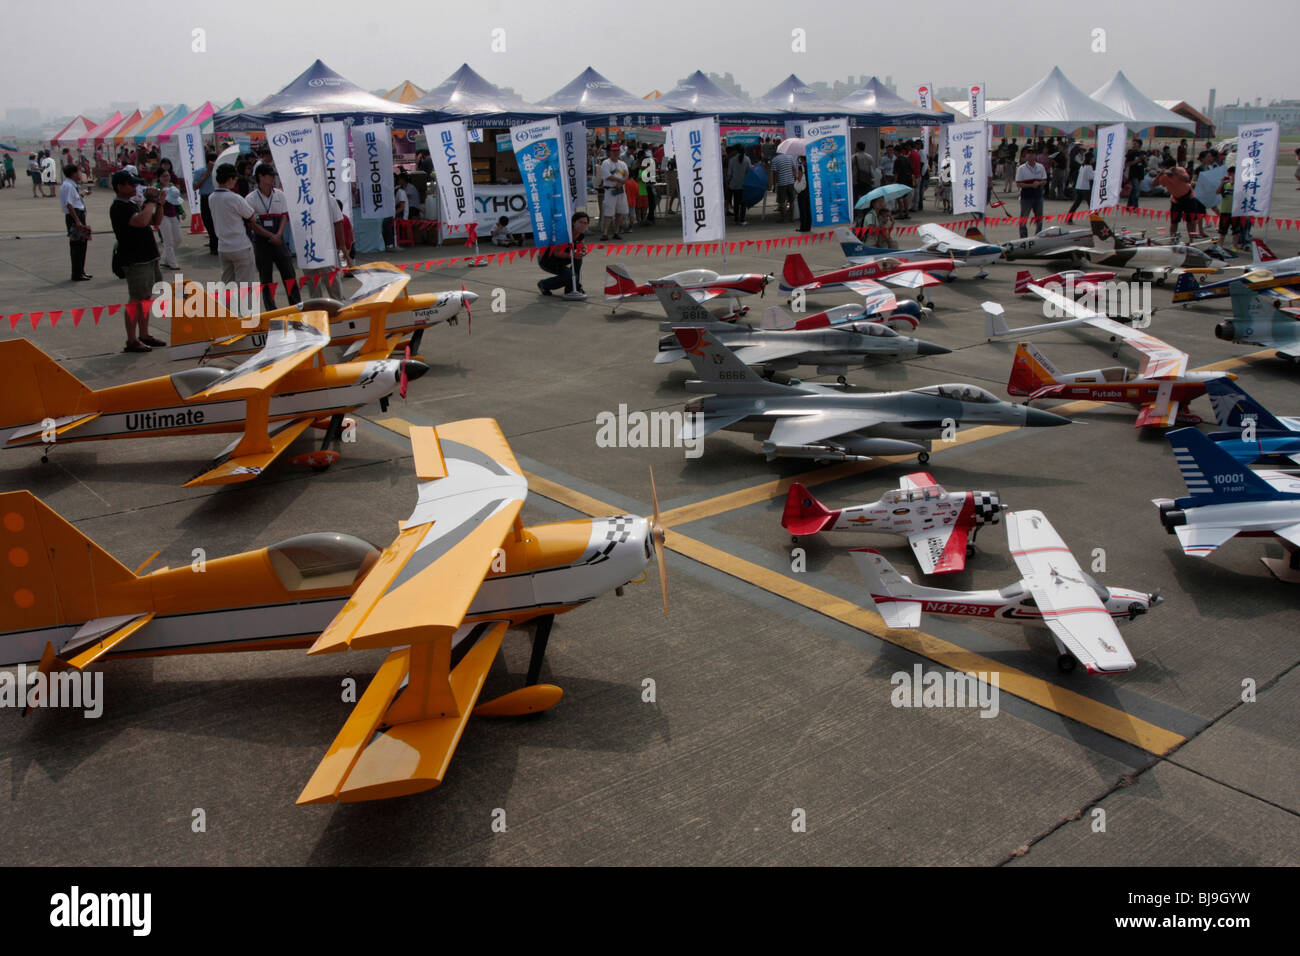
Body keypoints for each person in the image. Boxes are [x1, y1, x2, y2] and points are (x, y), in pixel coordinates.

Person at [108, 169, 166, 352]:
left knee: (146, 297)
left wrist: (159, 204)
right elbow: (141, 221)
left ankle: (144, 334)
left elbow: (154, 220)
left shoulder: (131, 204)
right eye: (131, 184)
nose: (135, 187)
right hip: (136, 259)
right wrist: (150, 201)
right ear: (120, 187)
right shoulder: (119, 207)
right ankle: (132, 339)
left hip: (147, 256)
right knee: (136, 299)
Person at [247, 165, 300, 311]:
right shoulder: (250, 199)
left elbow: (284, 216)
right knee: (266, 278)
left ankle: (296, 305)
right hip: (262, 242)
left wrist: (278, 235)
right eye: (270, 175)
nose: (273, 178)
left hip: (279, 239)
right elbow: (252, 224)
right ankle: (271, 309)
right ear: (261, 177)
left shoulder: (280, 195)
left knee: (289, 274)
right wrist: (270, 236)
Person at [208, 163, 260, 284]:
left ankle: (227, 304)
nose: (236, 181)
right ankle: (244, 304)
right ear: (230, 179)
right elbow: (251, 217)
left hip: (223, 246)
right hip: (240, 246)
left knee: (227, 284)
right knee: (245, 285)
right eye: (235, 178)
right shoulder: (234, 198)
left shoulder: (212, 197)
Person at [537, 211, 590, 299]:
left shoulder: (581, 235)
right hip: (548, 260)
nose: (583, 225)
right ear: (573, 222)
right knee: (569, 276)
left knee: (578, 259)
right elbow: (557, 253)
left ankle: (572, 288)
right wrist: (572, 255)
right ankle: (544, 284)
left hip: (562, 259)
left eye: (585, 223)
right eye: (580, 222)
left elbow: (581, 247)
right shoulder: (564, 234)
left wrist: (583, 251)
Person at [60, 163, 92, 281]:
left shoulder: (70, 185)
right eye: (78, 172)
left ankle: (81, 271)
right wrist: (77, 221)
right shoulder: (68, 186)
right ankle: (77, 273)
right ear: (74, 173)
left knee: (82, 244)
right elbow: (69, 205)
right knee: (77, 246)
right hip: (75, 217)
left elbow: (74, 200)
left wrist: (82, 194)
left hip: (78, 215)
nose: (80, 174)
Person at [1154, 159, 1198, 241]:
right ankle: (1172, 239)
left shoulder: (1180, 170)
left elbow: (1187, 179)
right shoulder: (1164, 176)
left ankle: (1191, 239)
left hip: (1188, 198)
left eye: (1170, 167)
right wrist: (1160, 174)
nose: (1168, 169)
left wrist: (1176, 173)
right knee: (1174, 221)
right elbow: (1154, 184)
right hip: (1176, 200)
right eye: (1166, 168)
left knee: (1190, 220)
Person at [155, 169, 184, 270]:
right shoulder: (156, 188)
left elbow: (177, 200)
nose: (166, 178)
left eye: (167, 175)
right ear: (159, 177)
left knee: (178, 239)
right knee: (168, 241)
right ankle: (172, 263)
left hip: (173, 215)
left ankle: (164, 257)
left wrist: (182, 211)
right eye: (163, 176)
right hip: (162, 216)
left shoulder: (172, 186)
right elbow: (155, 203)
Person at [598, 143, 628, 240]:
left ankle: (616, 232)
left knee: (620, 212)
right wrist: (620, 180)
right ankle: (605, 233)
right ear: (610, 152)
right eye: (614, 151)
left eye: (617, 151)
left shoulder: (622, 163)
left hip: (620, 190)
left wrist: (622, 181)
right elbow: (608, 176)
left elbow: (626, 174)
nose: (616, 153)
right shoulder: (606, 163)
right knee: (608, 212)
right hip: (610, 190)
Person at [1015, 150, 1047, 238]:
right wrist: (1031, 185)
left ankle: (1038, 236)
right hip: (1026, 197)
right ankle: (1023, 237)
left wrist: (1039, 184)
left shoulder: (1040, 167)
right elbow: (1018, 184)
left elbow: (1044, 181)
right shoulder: (1021, 168)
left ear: (1035, 156)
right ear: (1026, 156)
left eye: (1032, 154)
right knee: (1024, 218)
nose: (1030, 156)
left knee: (1039, 218)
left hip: (1038, 196)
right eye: (1028, 154)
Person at [193, 151, 219, 254]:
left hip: (217, 197)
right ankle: (213, 244)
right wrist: (206, 174)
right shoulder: (200, 172)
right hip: (205, 197)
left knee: (217, 221)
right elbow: (195, 186)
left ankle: (217, 245)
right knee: (208, 221)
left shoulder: (219, 171)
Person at [726, 145, 751, 225]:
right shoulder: (747, 159)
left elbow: (729, 173)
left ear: (737, 151)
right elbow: (749, 172)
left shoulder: (732, 160)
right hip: (744, 184)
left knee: (736, 202)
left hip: (734, 185)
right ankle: (742, 219)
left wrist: (728, 181)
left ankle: (736, 219)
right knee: (743, 203)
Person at [771, 148, 796, 223]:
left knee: (782, 202)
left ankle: (783, 219)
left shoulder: (775, 160)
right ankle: (791, 218)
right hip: (791, 182)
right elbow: (794, 169)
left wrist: (774, 185)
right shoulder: (790, 157)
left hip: (782, 183)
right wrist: (794, 178)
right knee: (791, 201)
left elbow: (775, 174)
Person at [851, 141, 875, 208]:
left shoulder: (853, 157)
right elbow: (871, 168)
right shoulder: (869, 157)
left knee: (855, 199)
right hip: (867, 181)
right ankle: (866, 213)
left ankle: (855, 213)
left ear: (857, 147)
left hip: (856, 181)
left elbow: (851, 169)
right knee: (867, 199)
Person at [893, 143, 913, 219]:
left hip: (900, 181)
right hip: (907, 180)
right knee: (905, 197)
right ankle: (907, 213)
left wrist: (894, 182)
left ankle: (901, 213)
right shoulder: (906, 158)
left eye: (894, 151)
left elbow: (896, 173)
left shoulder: (897, 160)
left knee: (899, 198)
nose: (894, 153)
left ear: (897, 151)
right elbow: (911, 169)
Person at [794, 158, 811, 232]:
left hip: (802, 191)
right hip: (809, 190)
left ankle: (803, 227)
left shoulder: (801, 167)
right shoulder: (811, 165)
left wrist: (795, 174)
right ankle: (808, 226)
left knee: (802, 209)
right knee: (808, 209)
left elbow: (799, 179)